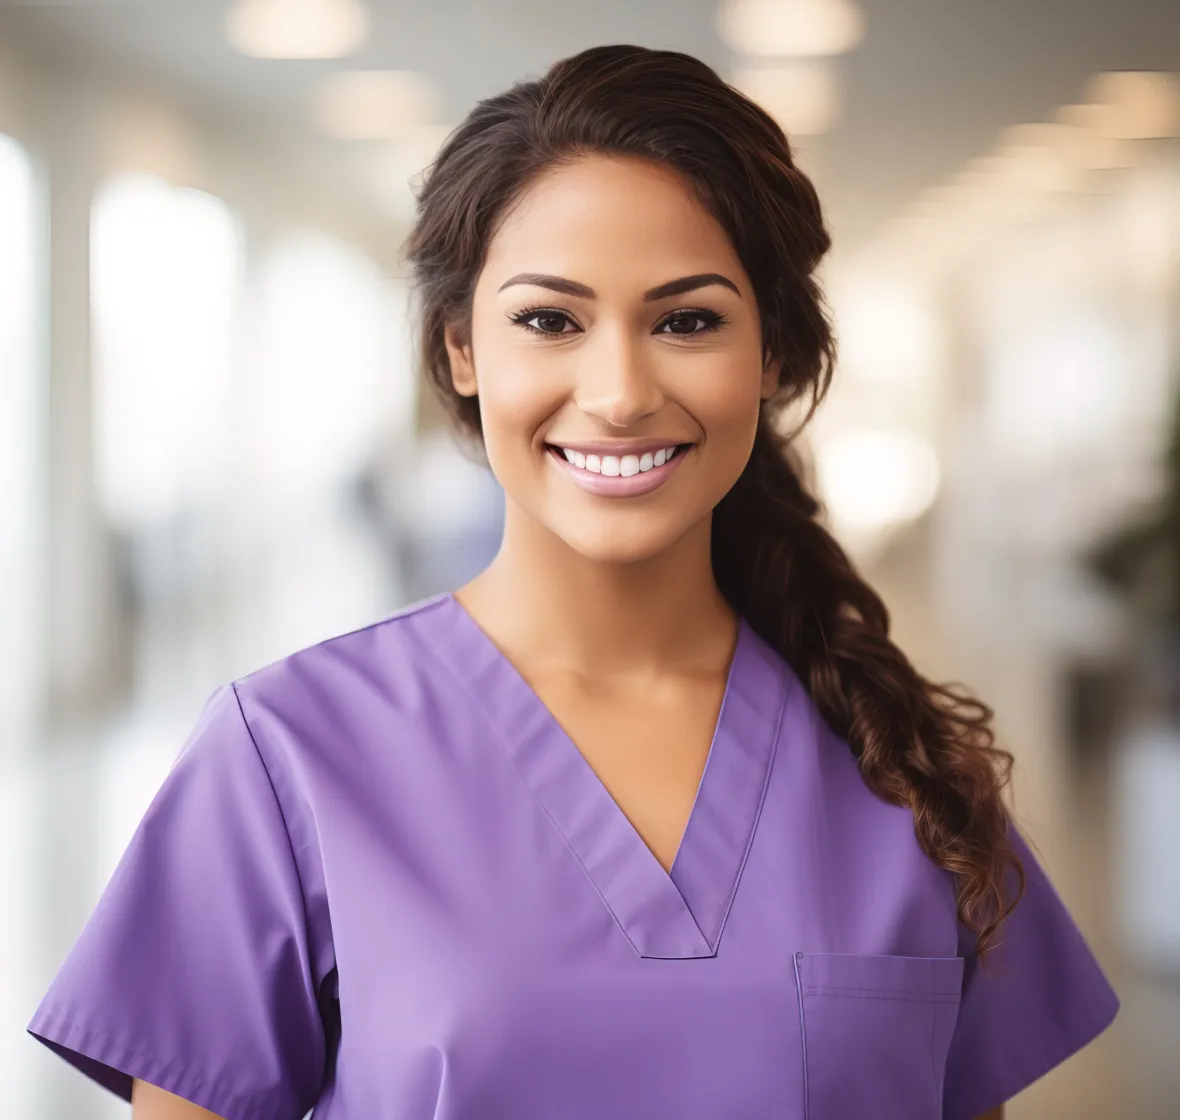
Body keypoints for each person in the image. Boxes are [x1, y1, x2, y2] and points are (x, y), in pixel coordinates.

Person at [27, 43, 1119, 1120]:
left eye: (687, 320)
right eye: (549, 320)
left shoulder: (904, 765)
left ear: (773, 353)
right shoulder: (286, 756)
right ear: (461, 349)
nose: (618, 392)